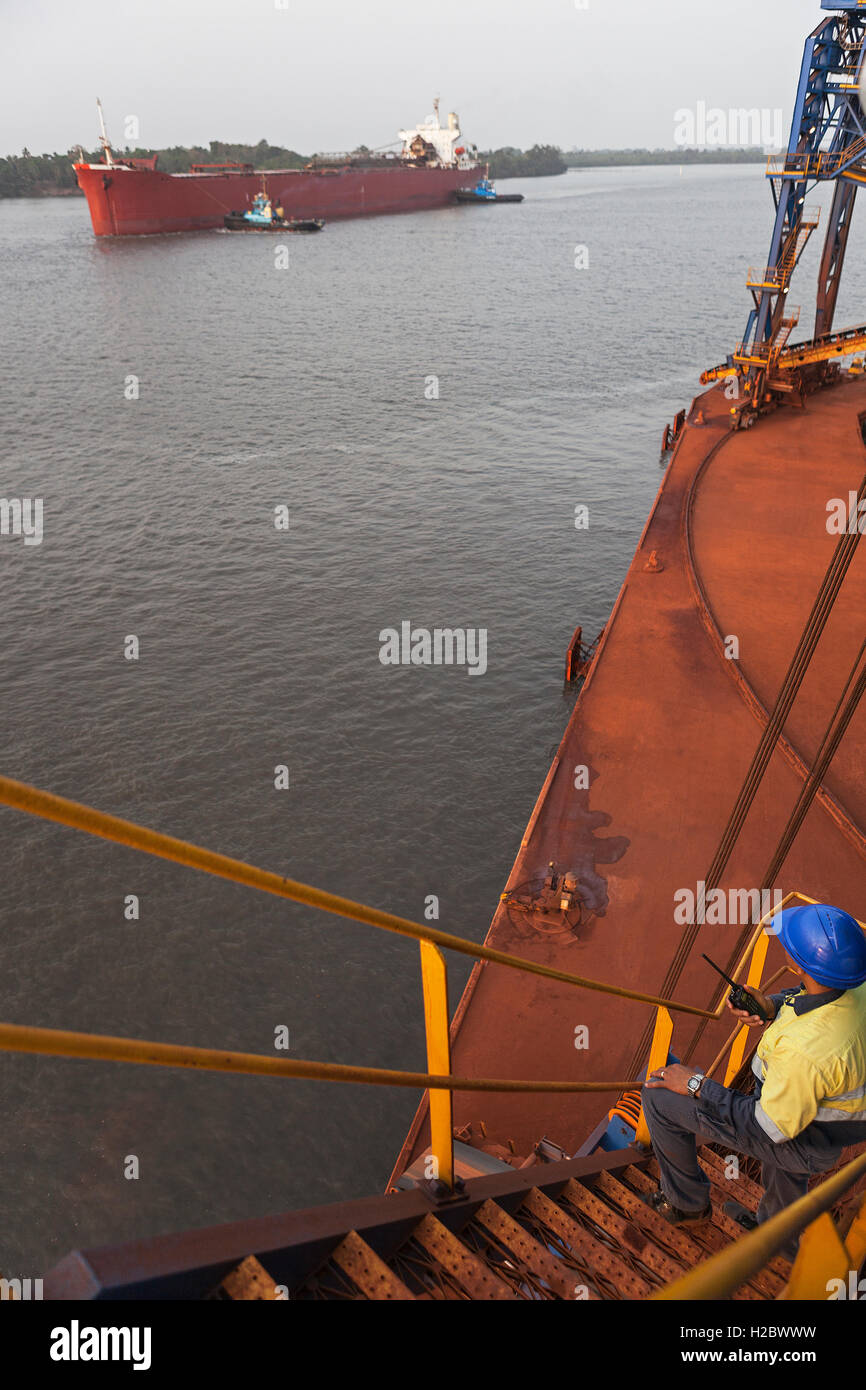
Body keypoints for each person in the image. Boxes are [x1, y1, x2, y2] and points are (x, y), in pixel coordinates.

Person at [639, 903, 866, 1254]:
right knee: (784, 1172)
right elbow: (818, 999)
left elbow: (766, 1127)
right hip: (821, 1126)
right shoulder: (856, 985)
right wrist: (773, 1005)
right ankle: (777, 1240)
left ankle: (687, 1205)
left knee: (658, 1095)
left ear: (802, 964)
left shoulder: (806, 1053)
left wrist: (695, 1085)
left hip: (797, 1136)